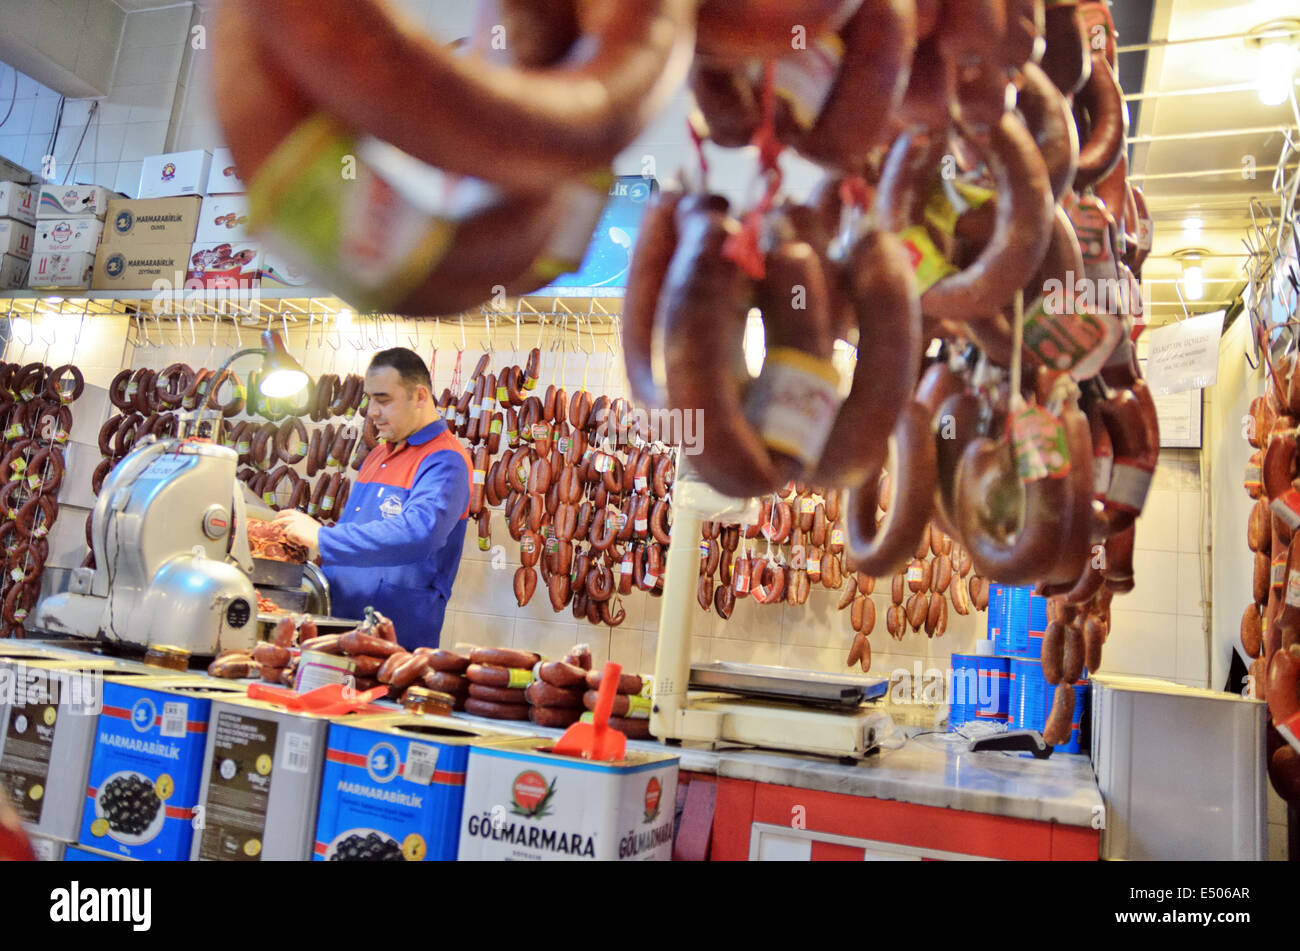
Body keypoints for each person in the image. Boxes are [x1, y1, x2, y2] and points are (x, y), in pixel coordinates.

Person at [275, 348, 471, 650]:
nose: (372, 412)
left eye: (383, 400)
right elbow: (360, 530)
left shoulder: (446, 460)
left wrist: (323, 538)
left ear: (420, 397)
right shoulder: (379, 454)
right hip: (336, 626)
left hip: (394, 642)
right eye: (370, 400)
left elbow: (418, 534)